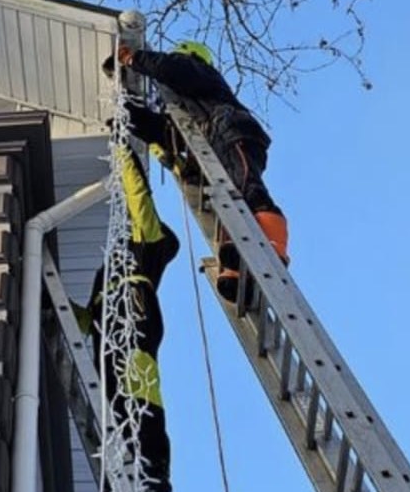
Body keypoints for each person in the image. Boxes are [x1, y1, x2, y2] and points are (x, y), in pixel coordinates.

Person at [108, 40, 288, 303]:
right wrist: (125, 116)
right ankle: (236, 267)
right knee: (226, 201)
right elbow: (163, 131)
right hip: (214, 138)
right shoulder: (186, 112)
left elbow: (172, 69)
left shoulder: (195, 69)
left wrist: (134, 59)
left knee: (246, 189)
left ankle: (274, 247)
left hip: (230, 131)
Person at [77, 142, 179, 492]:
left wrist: (122, 152)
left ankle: (152, 469)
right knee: (118, 402)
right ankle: (128, 477)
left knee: (140, 393)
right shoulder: (108, 273)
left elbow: (139, 198)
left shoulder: (149, 246)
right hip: (108, 331)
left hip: (135, 318)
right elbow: (87, 320)